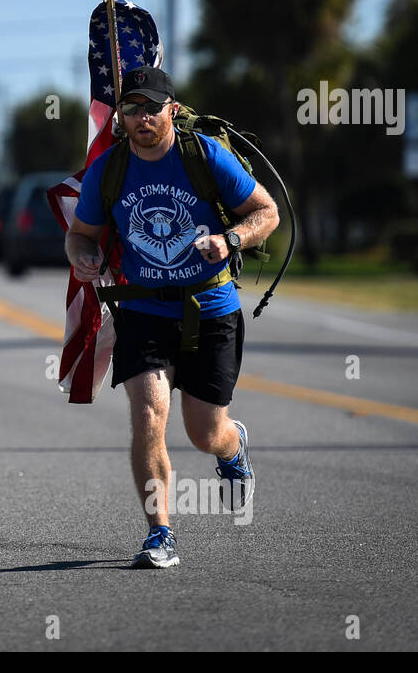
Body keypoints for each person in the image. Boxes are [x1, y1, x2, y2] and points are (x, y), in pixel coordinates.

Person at [64, 66, 279, 568]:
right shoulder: (108, 170)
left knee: (204, 432)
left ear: (172, 111)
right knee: (147, 416)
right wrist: (82, 256)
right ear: (121, 115)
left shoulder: (205, 157)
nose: (142, 117)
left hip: (211, 308)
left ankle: (231, 447)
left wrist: (229, 240)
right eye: (131, 107)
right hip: (142, 309)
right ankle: (160, 534)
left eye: (151, 107)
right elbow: (81, 234)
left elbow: (265, 213)